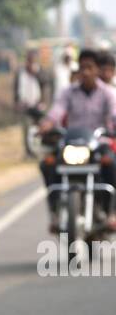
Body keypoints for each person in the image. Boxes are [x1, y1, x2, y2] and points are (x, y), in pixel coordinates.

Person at [37, 47, 116, 229]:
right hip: (71, 145)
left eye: (90, 67)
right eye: (82, 68)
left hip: (98, 144)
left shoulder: (108, 94)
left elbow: (114, 114)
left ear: (97, 70)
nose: (86, 72)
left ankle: (111, 211)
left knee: (112, 163)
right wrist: (46, 125)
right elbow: (57, 112)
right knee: (48, 164)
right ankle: (55, 211)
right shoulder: (68, 92)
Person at [14, 50, 46, 157]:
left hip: (37, 106)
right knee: (26, 129)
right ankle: (29, 152)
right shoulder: (20, 72)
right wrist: (16, 102)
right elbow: (16, 88)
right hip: (25, 106)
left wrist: (35, 73)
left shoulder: (39, 71)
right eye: (29, 60)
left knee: (39, 128)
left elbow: (44, 85)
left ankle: (40, 149)